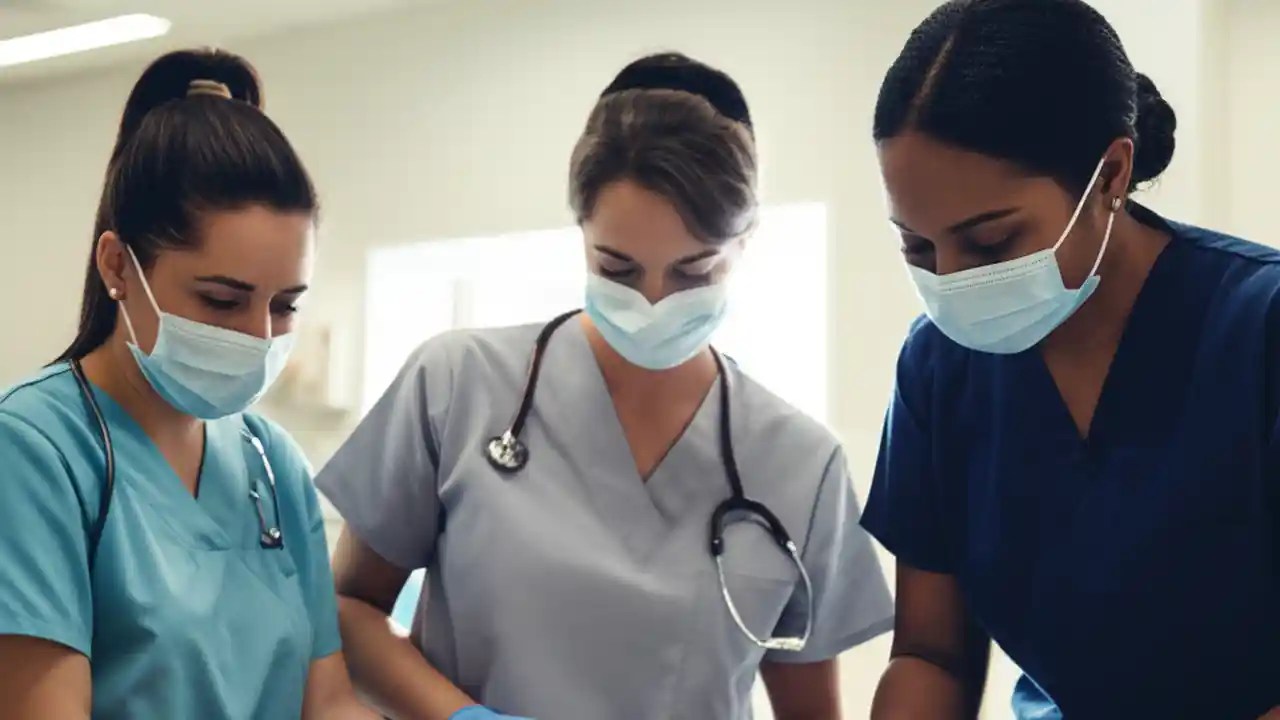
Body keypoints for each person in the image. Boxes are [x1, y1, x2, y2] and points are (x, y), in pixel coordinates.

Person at [318, 52, 893, 720]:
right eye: (617, 268)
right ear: (580, 229)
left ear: (746, 242)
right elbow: (349, 609)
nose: (652, 301)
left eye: (692, 273)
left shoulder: (799, 463)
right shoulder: (457, 386)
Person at [861, 0, 1280, 718]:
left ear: (1111, 174)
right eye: (918, 248)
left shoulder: (1258, 330)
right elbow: (932, 655)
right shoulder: (940, 368)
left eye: (990, 244)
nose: (954, 280)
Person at [0, 49, 377, 720]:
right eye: (222, 301)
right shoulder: (34, 451)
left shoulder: (273, 463)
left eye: (285, 305)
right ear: (118, 265)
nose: (260, 337)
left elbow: (329, 701)